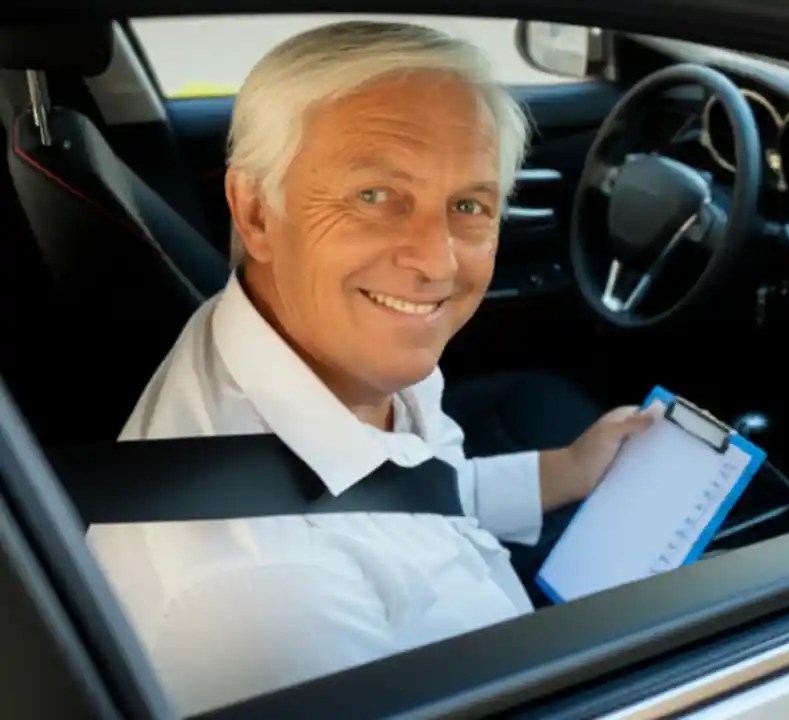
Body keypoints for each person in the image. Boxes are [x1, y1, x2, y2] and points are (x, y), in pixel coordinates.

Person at [85, 21, 654, 716]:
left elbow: (404, 487)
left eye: (469, 205)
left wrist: (563, 472)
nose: (437, 262)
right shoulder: (264, 606)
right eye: (376, 197)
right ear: (257, 211)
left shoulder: (317, 347)